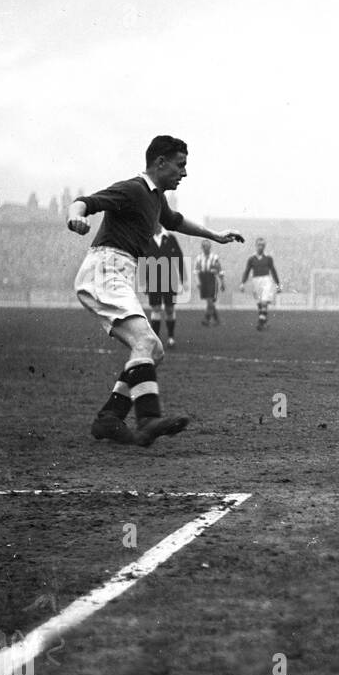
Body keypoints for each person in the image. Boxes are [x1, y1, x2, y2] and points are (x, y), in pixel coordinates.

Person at [67, 135, 244, 446]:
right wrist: (75, 216)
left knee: (154, 350)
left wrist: (215, 236)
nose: (184, 173)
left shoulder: (156, 198)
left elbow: (175, 221)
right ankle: (147, 418)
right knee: (145, 342)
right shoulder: (134, 189)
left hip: (118, 272)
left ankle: (109, 418)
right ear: (160, 163)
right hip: (105, 269)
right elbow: (86, 202)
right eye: (180, 165)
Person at [145, 230, 184, 347]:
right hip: (153, 279)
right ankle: (156, 339)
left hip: (170, 278)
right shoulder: (147, 238)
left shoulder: (170, 238)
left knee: (169, 309)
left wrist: (182, 277)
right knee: (156, 308)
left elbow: (179, 257)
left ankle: (171, 337)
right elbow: (142, 258)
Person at [240, 238, 281, 330]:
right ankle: (264, 322)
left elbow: (273, 271)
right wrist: (242, 283)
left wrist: (278, 284)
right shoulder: (251, 259)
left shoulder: (268, 258)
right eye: (259, 245)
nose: (261, 247)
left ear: (264, 247)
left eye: (262, 245)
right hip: (255, 281)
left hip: (266, 280)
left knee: (264, 301)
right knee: (259, 303)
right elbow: (247, 271)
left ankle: (260, 321)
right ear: (256, 245)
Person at [195, 239, 224, 326]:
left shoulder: (214, 257)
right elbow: (196, 270)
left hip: (212, 279)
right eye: (204, 246)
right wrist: (198, 281)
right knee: (209, 301)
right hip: (203, 279)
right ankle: (217, 320)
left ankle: (206, 319)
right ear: (202, 247)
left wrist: (222, 282)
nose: (205, 248)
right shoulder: (199, 258)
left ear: (210, 247)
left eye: (207, 246)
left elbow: (219, 269)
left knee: (210, 300)